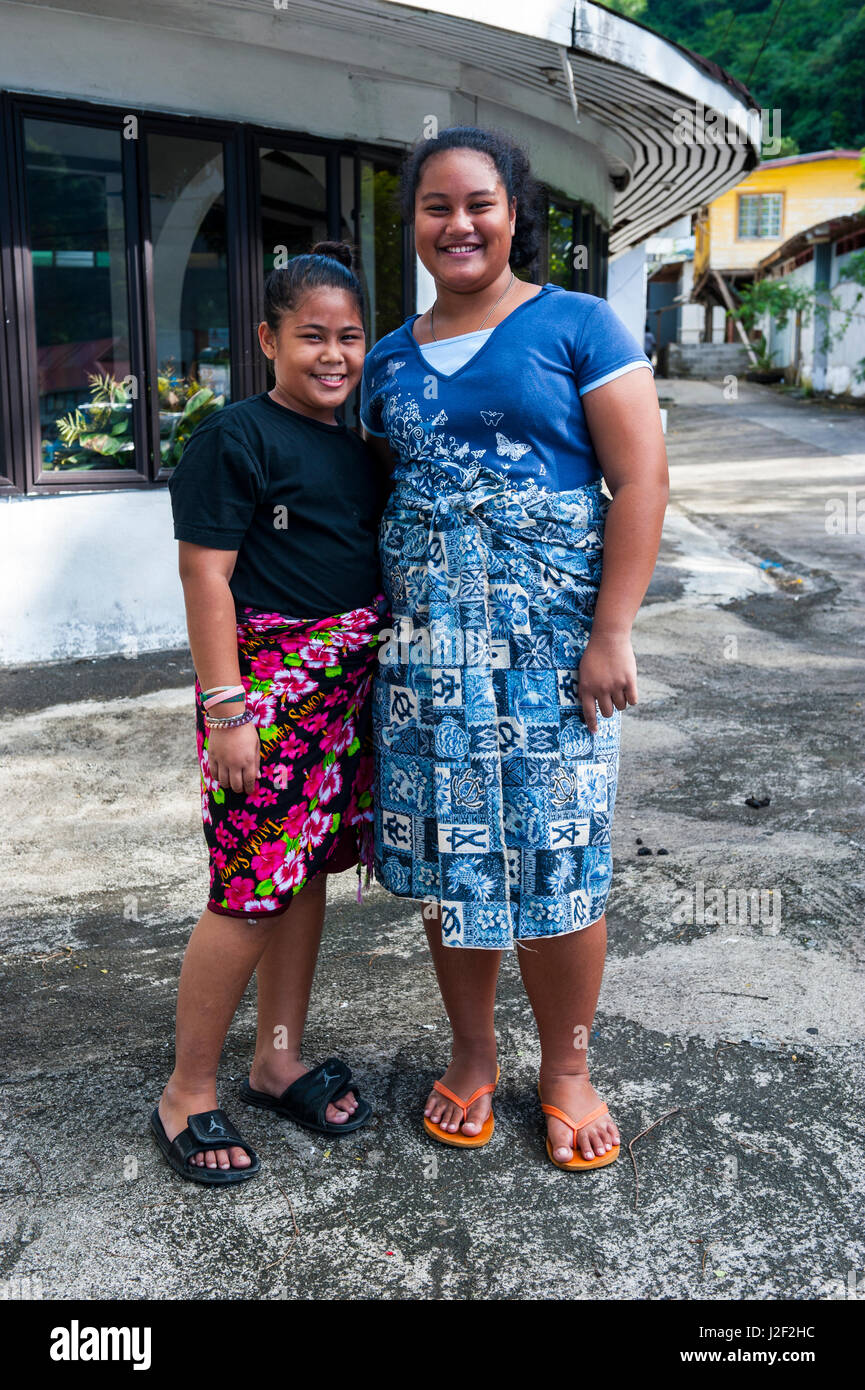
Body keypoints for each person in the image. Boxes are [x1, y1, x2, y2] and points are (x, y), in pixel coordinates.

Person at [361, 128, 669, 1171]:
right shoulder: (389, 358)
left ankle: (568, 1068)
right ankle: (473, 1053)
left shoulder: (577, 323)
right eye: (435, 207)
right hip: (427, 657)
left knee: (559, 864)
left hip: (552, 652)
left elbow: (641, 483)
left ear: (513, 214)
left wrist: (611, 630)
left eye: (479, 204)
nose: (459, 224)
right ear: (413, 224)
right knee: (459, 858)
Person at [151, 241, 387, 1184]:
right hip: (265, 700)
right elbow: (204, 576)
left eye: (350, 338)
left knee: (306, 876)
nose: (333, 356)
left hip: (346, 699)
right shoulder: (233, 437)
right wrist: (225, 710)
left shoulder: (358, 439)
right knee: (248, 891)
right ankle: (187, 1094)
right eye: (311, 338)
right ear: (267, 340)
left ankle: (275, 1058)